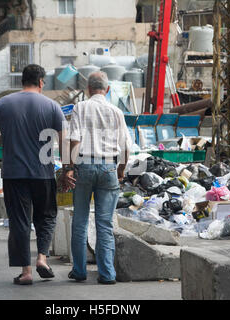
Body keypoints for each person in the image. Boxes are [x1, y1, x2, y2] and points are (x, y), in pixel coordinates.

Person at [0, 64, 65, 285]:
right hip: (44, 172)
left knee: (20, 221)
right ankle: (42, 258)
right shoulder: (52, 106)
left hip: (14, 174)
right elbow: (64, 141)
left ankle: (26, 272)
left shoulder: (3, 104)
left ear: (22, 81)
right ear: (41, 82)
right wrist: (69, 168)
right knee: (46, 216)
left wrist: (5, 140)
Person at [61, 71, 132, 285]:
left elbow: (74, 140)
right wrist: (120, 171)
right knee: (104, 223)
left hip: (84, 166)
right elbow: (126, 147)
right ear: (107, 89)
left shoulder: (80, 107)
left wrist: (69, 169)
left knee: (80, 221)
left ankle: (80, 271)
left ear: (88, 90)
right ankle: (107, 274)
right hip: (109, 168)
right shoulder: (117, 111)